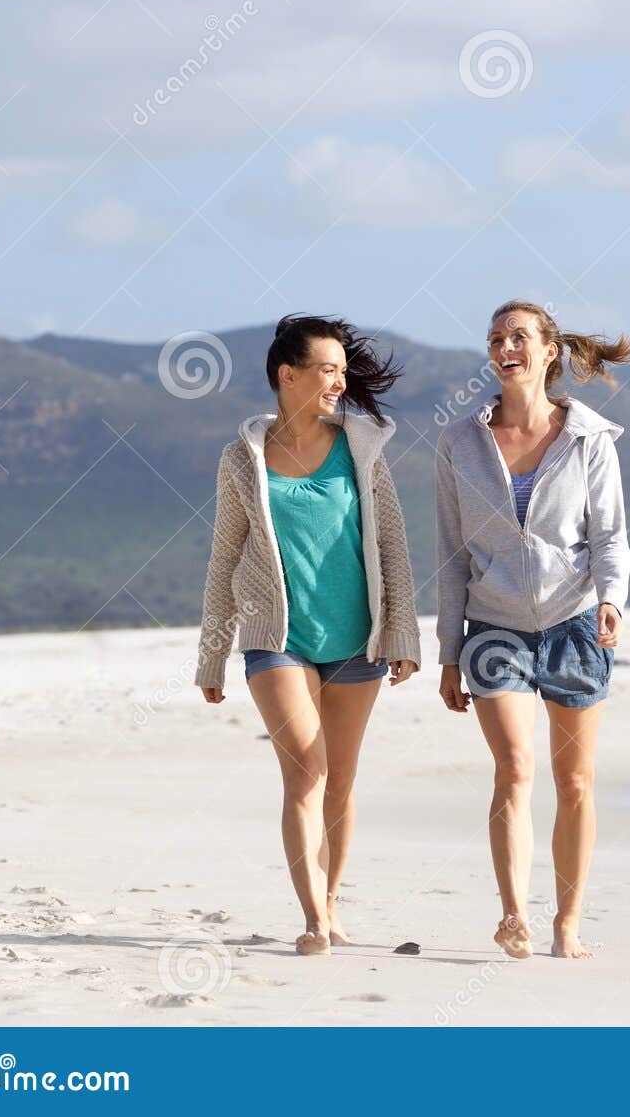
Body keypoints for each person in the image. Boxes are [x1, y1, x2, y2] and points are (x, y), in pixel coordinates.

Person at [194, 314, 421, 955]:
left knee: (341, 781)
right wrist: (212, 658)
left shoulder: (363, 448)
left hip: (356, 638)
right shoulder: (242, 458)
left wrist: (402, 632)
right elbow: (223, 556)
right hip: (277, 638)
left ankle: (334, 900)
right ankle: (313, 917)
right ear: (285, 375)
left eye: (343, 371)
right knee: (306, 774)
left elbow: (391, 544)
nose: (338, 381)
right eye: (327, 369)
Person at [435, 299, 630, 959]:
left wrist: (612, 599)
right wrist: (446, 652)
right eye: (495, 338)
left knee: (575, 780)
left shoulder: (588, 439)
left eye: (518, 336)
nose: (504, 347)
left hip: (575, 624)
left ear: (548, 351)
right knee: (515, 767)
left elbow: (610, 534)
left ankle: (568, 923)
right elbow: (452, 553)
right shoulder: (460, 441)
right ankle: (515, 912)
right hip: (493, 627)